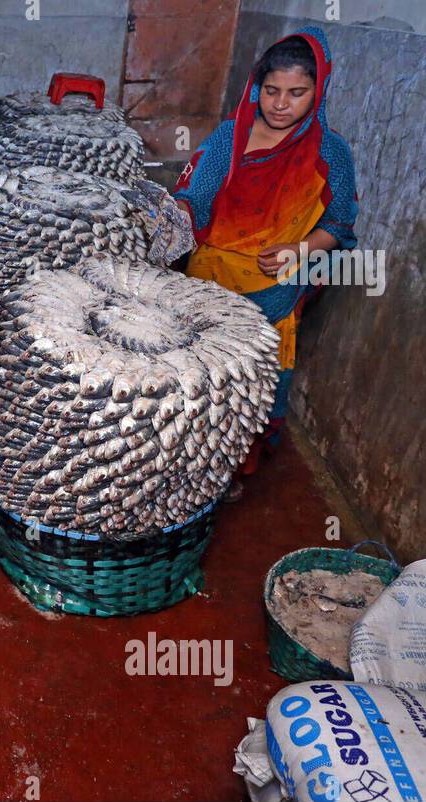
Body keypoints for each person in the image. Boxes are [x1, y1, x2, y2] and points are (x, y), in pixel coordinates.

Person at [173, 27, 358, 500]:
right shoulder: (229, 137)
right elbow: (195, 196)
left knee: (257, 382)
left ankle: (238, 466)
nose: (280, 104)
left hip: (275, 287)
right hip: (209, 281)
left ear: (318, 92)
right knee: (197, 375)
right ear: (257, 87)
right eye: (272, 91)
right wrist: (172, 219)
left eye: (297, 93)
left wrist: (300, 250)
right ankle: (183, 459)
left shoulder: (329, 153)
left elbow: (339, 225)